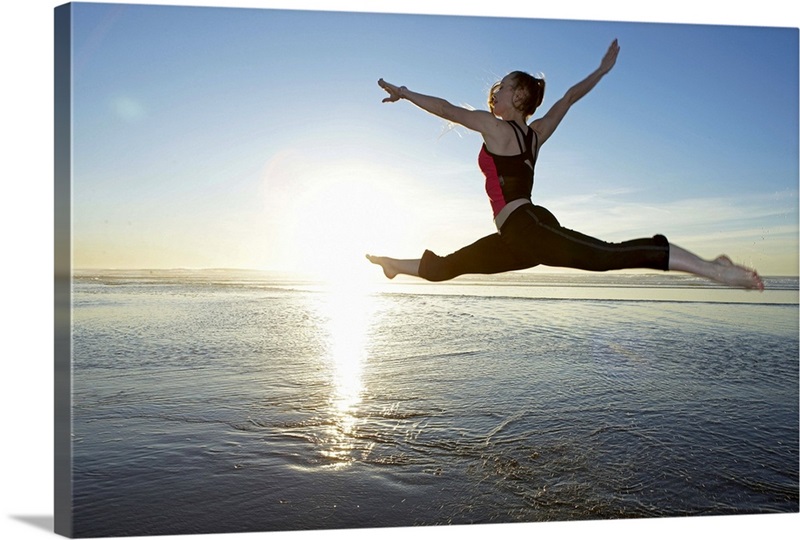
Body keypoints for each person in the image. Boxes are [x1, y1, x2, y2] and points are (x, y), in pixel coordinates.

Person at [367, 40, 764, 291]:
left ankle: (714, 271)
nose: (497, 90)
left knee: (605, 256)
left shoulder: (499, 130)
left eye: (504, 86)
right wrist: (601, 71)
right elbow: (570, 97)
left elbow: (446, 108)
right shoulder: (535, 133)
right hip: (518, 235)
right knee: (451, 266)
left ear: (519, 96)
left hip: (528, 228)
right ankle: (392, 266)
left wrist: (404, 92)